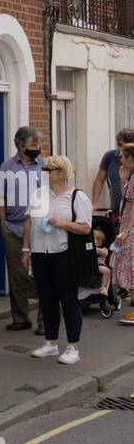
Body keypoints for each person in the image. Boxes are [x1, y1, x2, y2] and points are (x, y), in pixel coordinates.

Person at [22, 155, 91, 364]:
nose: (44, 173)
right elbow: (29, 222)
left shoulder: (77, 197)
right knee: (47, 299)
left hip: (64, 253)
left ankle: (73, 347)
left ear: (61, 173)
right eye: (44, 170)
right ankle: (50, 343)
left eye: (48, 170)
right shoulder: (38, 195)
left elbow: (86, 227)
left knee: (68, 299)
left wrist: (62, 223)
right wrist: (26, 250)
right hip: (40, 253)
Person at [0, 125, 44, 332]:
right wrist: (3, 224)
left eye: (38, 144)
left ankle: (45, 321)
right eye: (33, 144)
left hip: (40, 229)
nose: (37, 147)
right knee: (17, 276)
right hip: (14, 229)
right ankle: (20, 318)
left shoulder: (43, 165)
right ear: (20, 145)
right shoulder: (7, 166)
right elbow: (0, 197)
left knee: (44, 275)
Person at [91, 129, 134, 226]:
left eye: (125, 145)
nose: (121, 148)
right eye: (119, 145)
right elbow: (99, 180)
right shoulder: (110, 156)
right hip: (117, 211)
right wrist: (94, 204)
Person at [113, 143, 134, 323]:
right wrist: (122, 179)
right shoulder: (131, 177)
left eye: (122, 155)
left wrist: (126, 231)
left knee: (130, 266)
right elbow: (126, 199)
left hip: (131, 229)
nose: (120, 158)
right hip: (128, 227)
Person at [92, 226, 112, 296]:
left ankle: (103, 287)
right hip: (87, 265)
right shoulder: (87, 247)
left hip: (98, 265)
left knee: (107, 271)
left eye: (101, 241)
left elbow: (105, 253)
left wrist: (95, 250)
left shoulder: (103, 249)